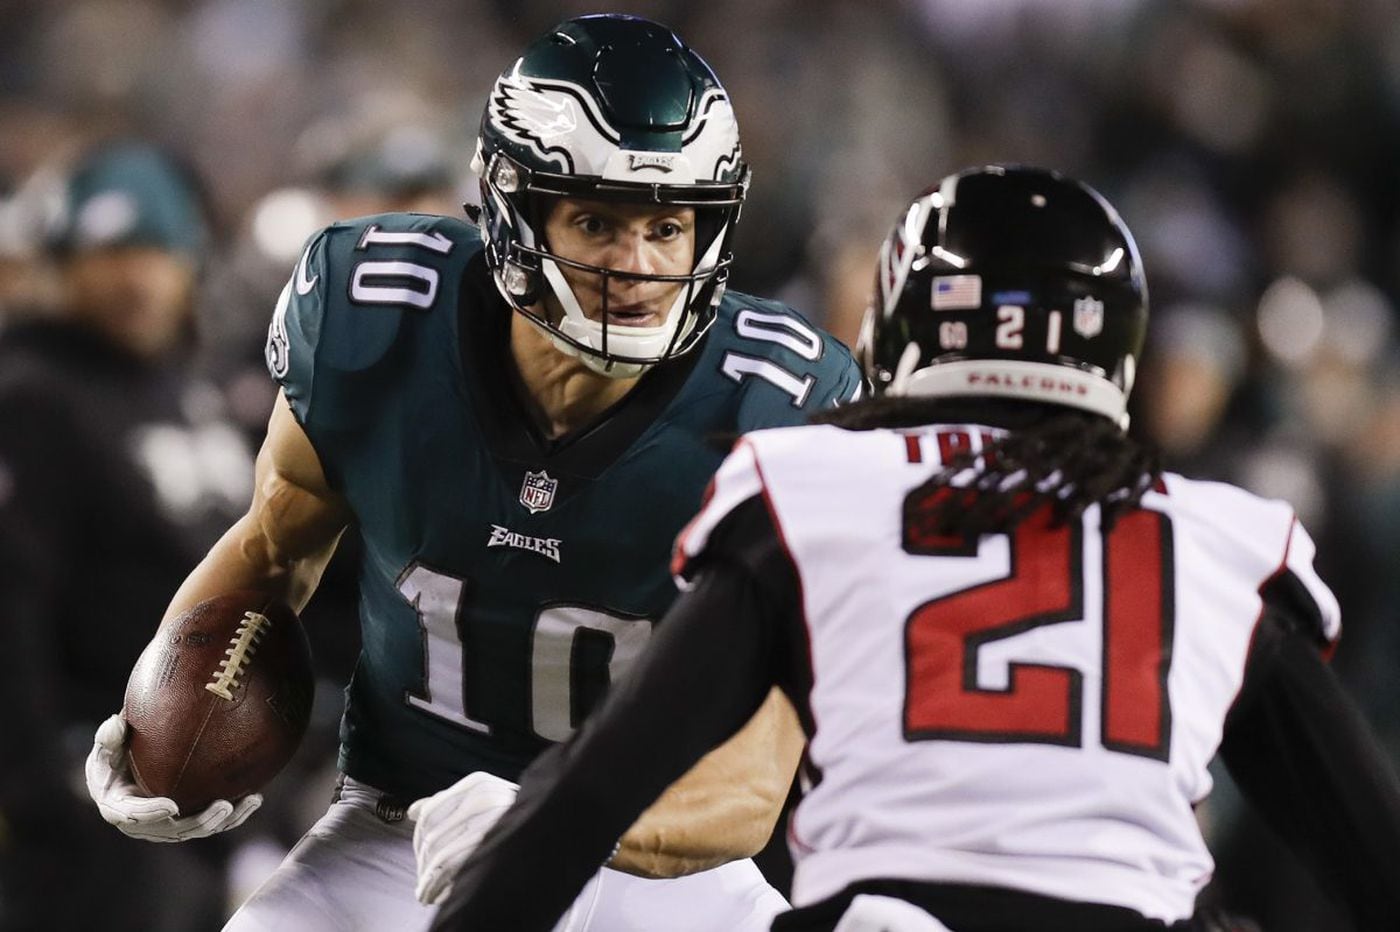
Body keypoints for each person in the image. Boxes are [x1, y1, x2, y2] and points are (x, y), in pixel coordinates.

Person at [431, 166, 1400, 932]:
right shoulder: (1218, 539)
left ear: (902, 324)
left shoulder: (814, 489)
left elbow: (595, 790)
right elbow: (1371, 849)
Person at [85, 14, 864, 932]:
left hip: (654, 860)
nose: (638, 265)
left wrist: (559, 816)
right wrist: (163, 714)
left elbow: (753, 783)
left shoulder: (779, 405)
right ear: (512, 209)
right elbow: (271, 549)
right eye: (597, 221)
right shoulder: (376, 314)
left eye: (667, 225)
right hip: (405, 831)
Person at [0, 141, 252, 930]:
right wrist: (41, 792)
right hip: (94, 797)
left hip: (212, 797)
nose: (137, 279)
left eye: (156, 252)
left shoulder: (196, 394)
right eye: (110, 255)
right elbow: (10, 605)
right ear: (64, 266)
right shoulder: (34, 396)